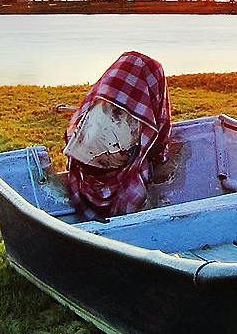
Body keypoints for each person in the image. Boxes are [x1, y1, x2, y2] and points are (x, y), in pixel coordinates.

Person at [63, 52, 171, 217]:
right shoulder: (139, 112)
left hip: (81, 182)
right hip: (120, 189)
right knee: (141, 154)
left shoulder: (99, 96)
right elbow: (159, 140)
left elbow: (70, 135)